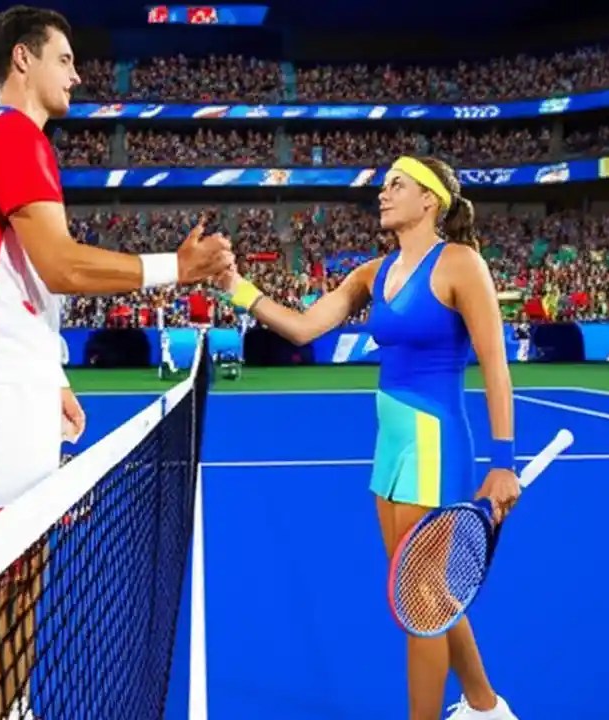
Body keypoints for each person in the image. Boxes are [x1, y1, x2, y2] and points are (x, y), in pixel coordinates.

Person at [0, 6, 234, 719]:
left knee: (24, 575)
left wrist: (53, 378)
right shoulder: (11, 135)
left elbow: (25, 286)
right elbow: (62, 267)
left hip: (16, 382)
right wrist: (176, 268)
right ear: (23, 59)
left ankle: (12, 707)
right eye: (64, 59)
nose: (77, 74)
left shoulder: (13, 140)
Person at [214, 155, 521, 720]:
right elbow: (303, 327)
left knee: (419, 599)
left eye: (397, 185)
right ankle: (486, 707)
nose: (383, 193)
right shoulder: (371, 273)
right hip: (391, 445)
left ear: (430, 200)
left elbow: (496, 365)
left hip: (434, 443)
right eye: (384, 186)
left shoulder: (461, 264)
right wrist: (237, 288)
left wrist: (503, 461)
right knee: (422, 588)